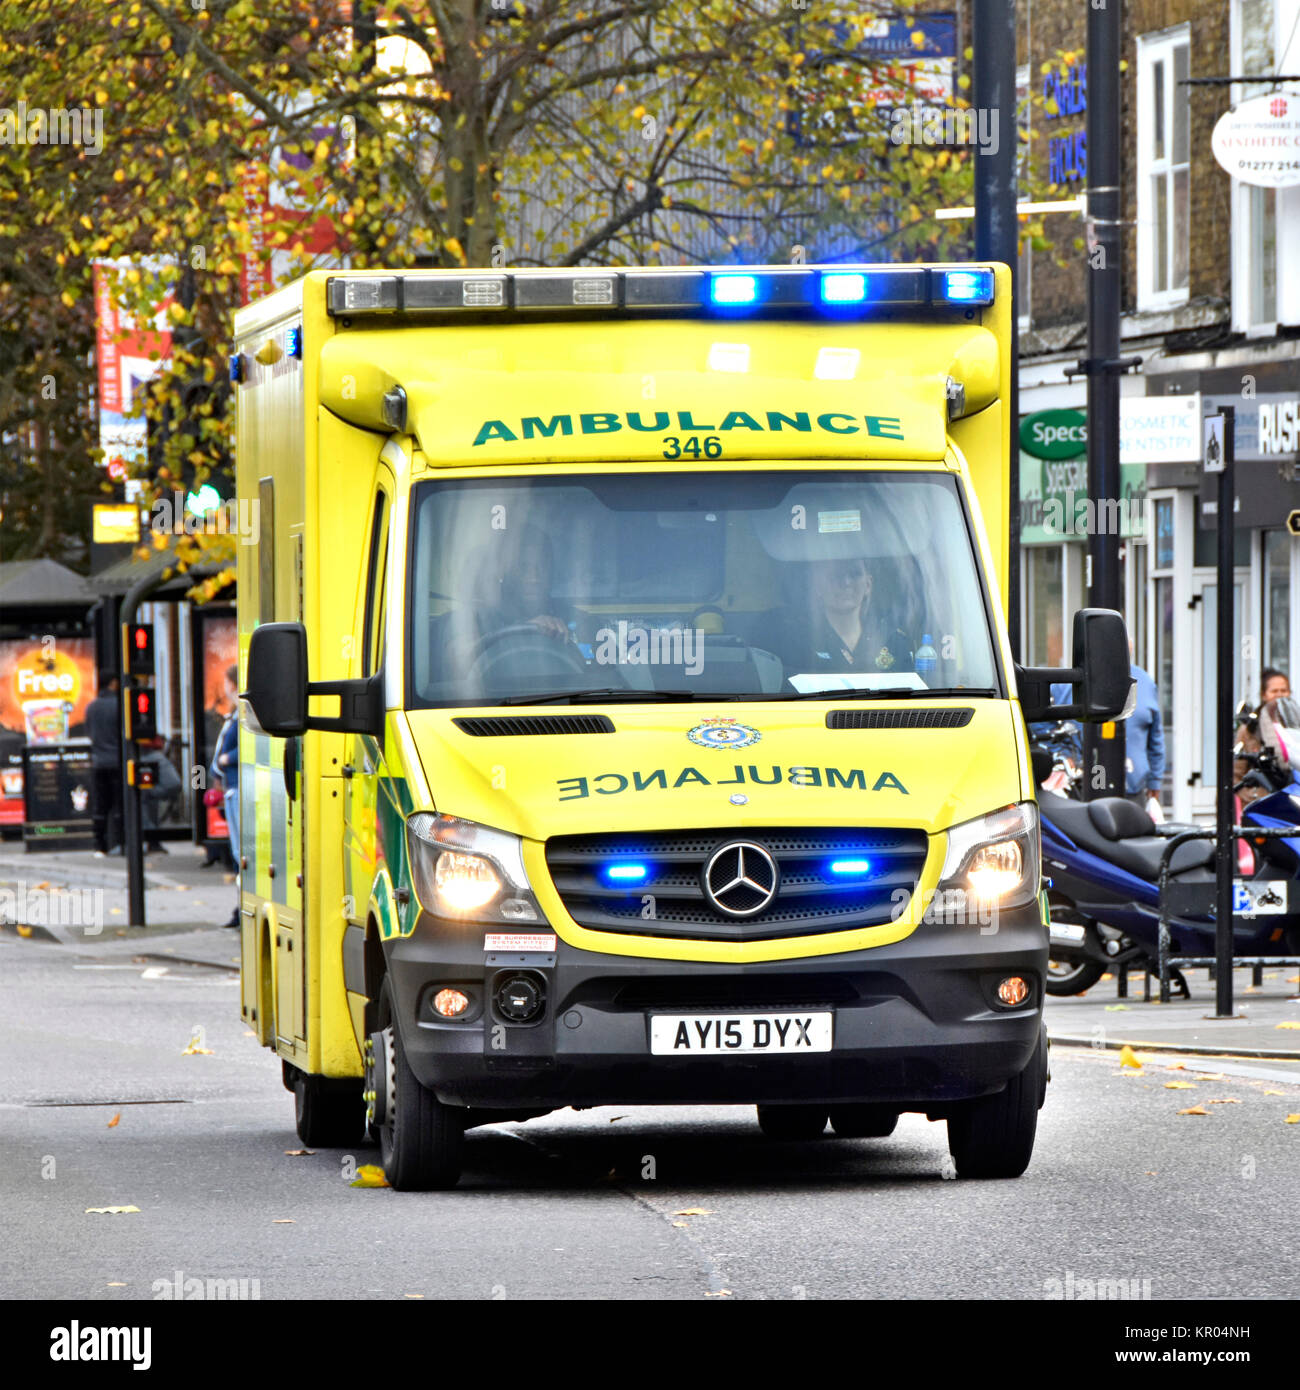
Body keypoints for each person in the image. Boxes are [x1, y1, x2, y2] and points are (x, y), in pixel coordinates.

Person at [772, 557, 913, 678]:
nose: (846, 582)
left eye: (854, 574)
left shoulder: (892, 640)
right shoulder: (798, 641)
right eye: (835, 575)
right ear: (818, 586)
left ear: (868, 585)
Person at [212, 665, 240, 928]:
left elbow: (246, 747)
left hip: (237, 789)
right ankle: (239, 907)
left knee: (241, 851)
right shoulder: (233, 715)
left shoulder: (243, 715)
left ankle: (241, 908)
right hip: (230, 789)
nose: (225, 689)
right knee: (236, 851)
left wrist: (225, 758)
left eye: (227, 683)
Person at [1123, 653, 1165, 819]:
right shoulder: (1083, 678)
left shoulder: (1144, 681)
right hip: (1092, 785)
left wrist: (1155, 778)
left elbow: (1156, 737)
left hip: (1134, 788)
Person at [86, 671, 123, 856]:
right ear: (113, 683)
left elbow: (90, 734)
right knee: (119, 804)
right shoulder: (119, 706)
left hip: (98, 762)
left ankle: (99, 845)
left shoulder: (91, 707)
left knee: (100, 806)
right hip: (117, 761)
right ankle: (120, 842)